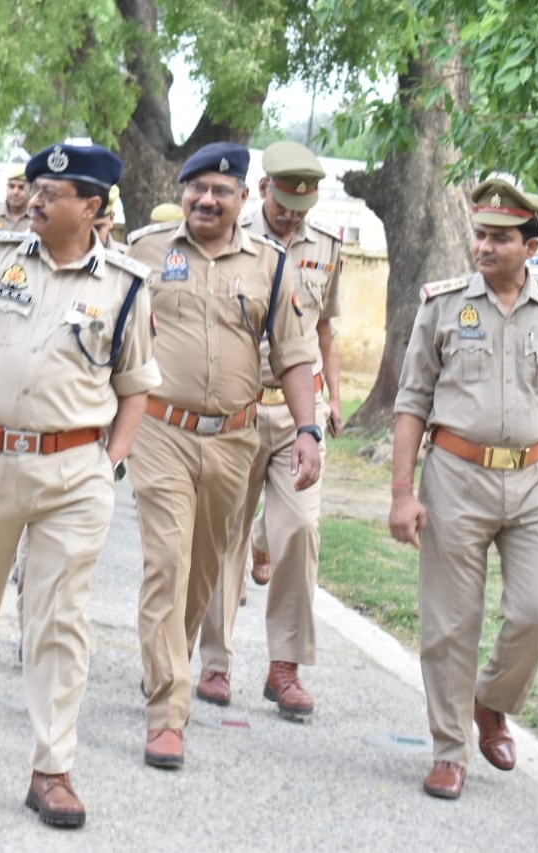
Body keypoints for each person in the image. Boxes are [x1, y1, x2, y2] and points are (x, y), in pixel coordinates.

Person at [0, 142, 159, 829]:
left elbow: (136, 386)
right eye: (32, 187)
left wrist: (107, 463)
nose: (34, 199)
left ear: (92, 207)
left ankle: (52, 766)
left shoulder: (125, 285)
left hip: (73, 475)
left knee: (59, 618)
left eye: (52, 193)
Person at [389, 177, 538, 800]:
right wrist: (401, 491)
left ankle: (492, 700)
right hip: (455, 476)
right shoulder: (443, 305)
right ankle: (450, 750)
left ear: (530, 245)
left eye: (500, 238)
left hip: (532, 481)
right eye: (479, 234)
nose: (483, 247)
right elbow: (411, 401)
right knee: (450, 624)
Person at [126, 142, 321, 769]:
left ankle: (170, 663)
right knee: (166, 560)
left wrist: (309, 430)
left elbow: (294, 354)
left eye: (220, 191)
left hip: (234, 440)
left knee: (204, 571)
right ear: (182, 191)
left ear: (244, 199)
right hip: (161, 430)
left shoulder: (271, 263)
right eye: (196, 188)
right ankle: (167, 711)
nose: (206, 200)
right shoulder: (144, 251)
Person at [196, 141, 342, 714]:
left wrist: (332, 395)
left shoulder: (327, 248)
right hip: (237, 406)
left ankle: (284, 666)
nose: (291, 215)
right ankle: (215, 662)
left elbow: (325, 329)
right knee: (226, 534)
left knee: (300, 532)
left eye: (301, 207)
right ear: (262, 192)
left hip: (296, 413)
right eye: (282, 203)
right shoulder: (234, 239)